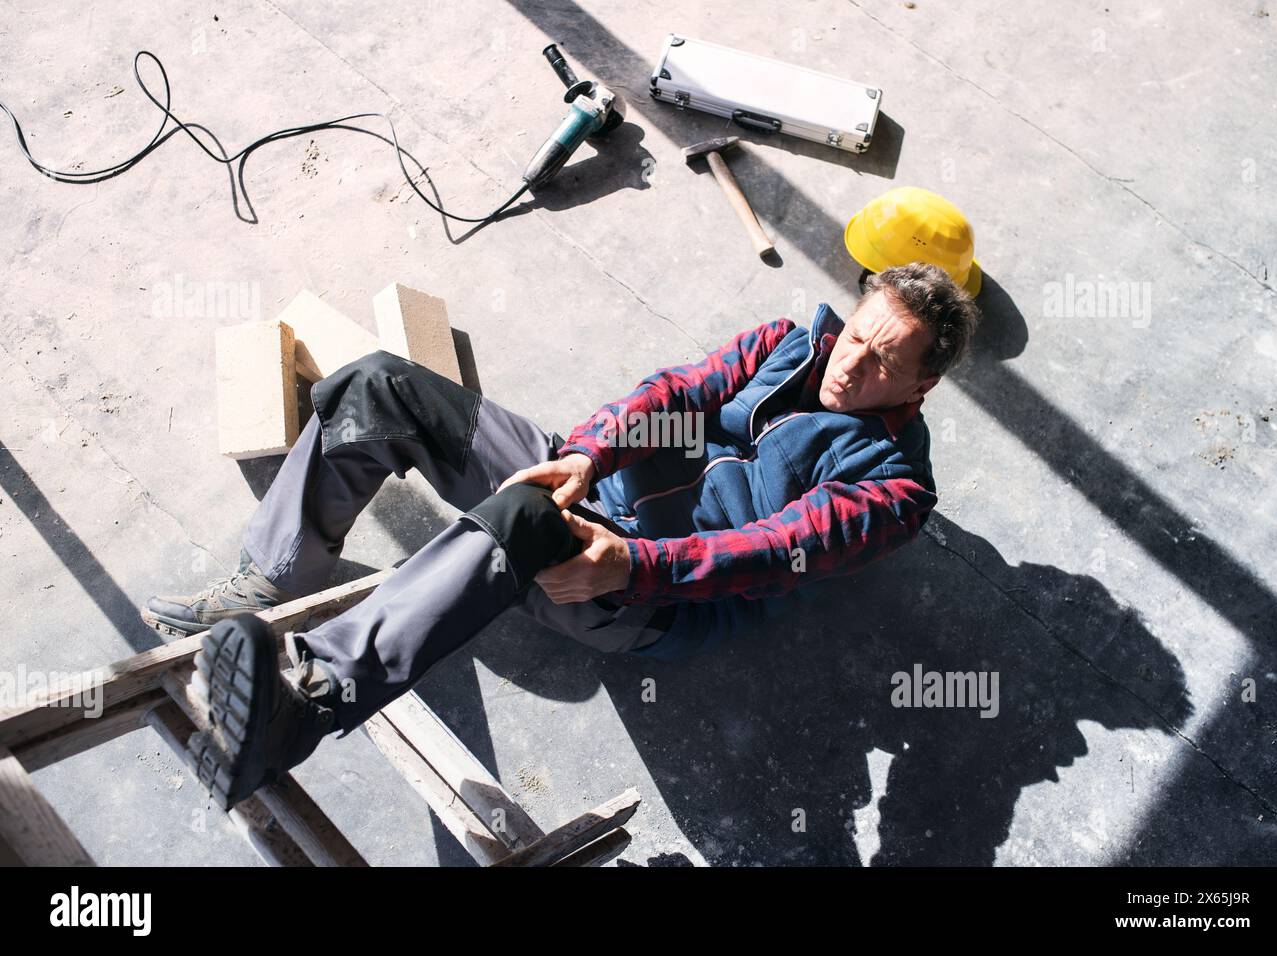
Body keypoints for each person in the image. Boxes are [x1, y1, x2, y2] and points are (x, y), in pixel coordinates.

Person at [141, 262, 980, 811]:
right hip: (598, 490)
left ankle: (306, 707)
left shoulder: (894, 490)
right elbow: (677, 391)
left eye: (880, 361)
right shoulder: (793, 344)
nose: (850, 362)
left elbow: (771, 552)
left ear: (924, 383)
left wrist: (633, 565)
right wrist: (586, 452)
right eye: (857, 336)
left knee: (521, 521)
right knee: (381, 385)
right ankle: (276, 572)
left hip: (649, 591)